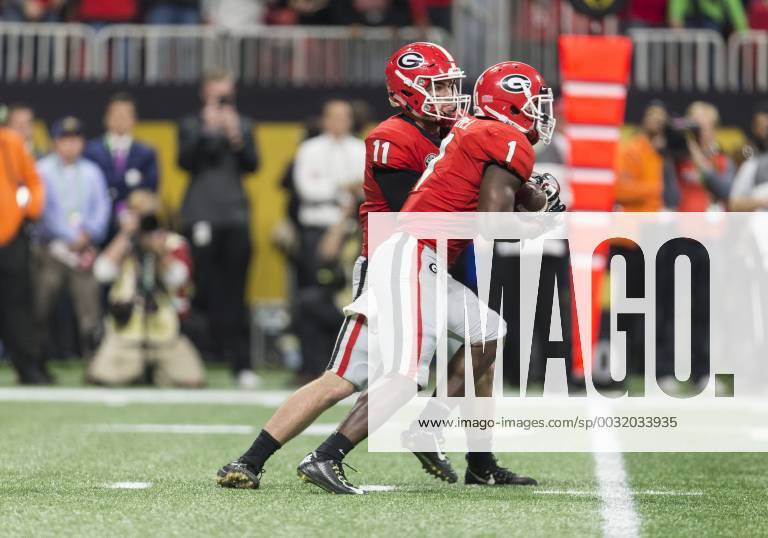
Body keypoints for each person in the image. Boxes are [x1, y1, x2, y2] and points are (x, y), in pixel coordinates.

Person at [296, 61, 564, 494]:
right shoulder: (507, 139)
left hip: (425, 254)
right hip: (414, 254)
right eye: (534, 104)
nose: (541, 113)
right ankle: (326, 455)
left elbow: (485, 199)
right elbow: (492, 224)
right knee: (405, 377)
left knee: (488, 332)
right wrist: (537, 224)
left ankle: (442, 437)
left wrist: (531, 202)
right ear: (512, 106)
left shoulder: (478, 129)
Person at [215, 41, 471, 490]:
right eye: (437, 87)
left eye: (450, 86)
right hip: (394, 269)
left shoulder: (453, 132)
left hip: (432, 271)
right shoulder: (392, 138)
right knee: (342, 380)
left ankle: (439, 438)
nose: (448, 96)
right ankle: (253, 460)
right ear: (405, 93)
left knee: (484, 338)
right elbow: (413, 212)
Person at [177, 69, 259, 388]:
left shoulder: (243, 123)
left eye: (227, 94)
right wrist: (208, 131)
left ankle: (241, 363)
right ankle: (194, 360)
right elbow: (185, 162)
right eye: (217, 94)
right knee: (199, 290)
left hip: (235, 215)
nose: (222, 100)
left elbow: (252, 164)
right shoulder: (191, 124)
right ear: (205, 93)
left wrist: (235, 135)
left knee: (236, 291)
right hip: (201, 213)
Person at [87, 190, 205, 387]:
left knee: (191, 379)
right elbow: (102, 272)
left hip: (164, 333)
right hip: (126, 332)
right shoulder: (123, 243)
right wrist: (125, 236)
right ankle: (137, 370)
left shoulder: (172, 243)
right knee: (104, 377)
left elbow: (179, 279)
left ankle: (153, 371)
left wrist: (160, 253)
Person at [35, 116, 111, 359]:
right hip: (50, 249)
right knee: (41, 297)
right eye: (65, 139)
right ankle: (33, 356)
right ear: (55, 142)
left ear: (82, 143)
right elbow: (42, 210)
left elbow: (102, 208)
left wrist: (87, 234)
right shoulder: (41, 170)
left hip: (84, 250)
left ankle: (95, 357)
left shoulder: (92, 172)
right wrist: (69, 237)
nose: (70, 145)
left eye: (75, 140)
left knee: (89, 300)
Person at [0, 118, 49, 384]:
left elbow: (33, 182)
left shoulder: (11, 142)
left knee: (18, 305)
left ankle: (29, 367)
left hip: (10, 236)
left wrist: (28, 209)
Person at [84, 93, 159, 243]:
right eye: (116, 114)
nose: (121, 119)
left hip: (135, 228)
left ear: (134, 119)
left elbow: (151, 189)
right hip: (96, 227)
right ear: (106, 118)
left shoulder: (146, 153)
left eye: (126, 114)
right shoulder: (90, 151)